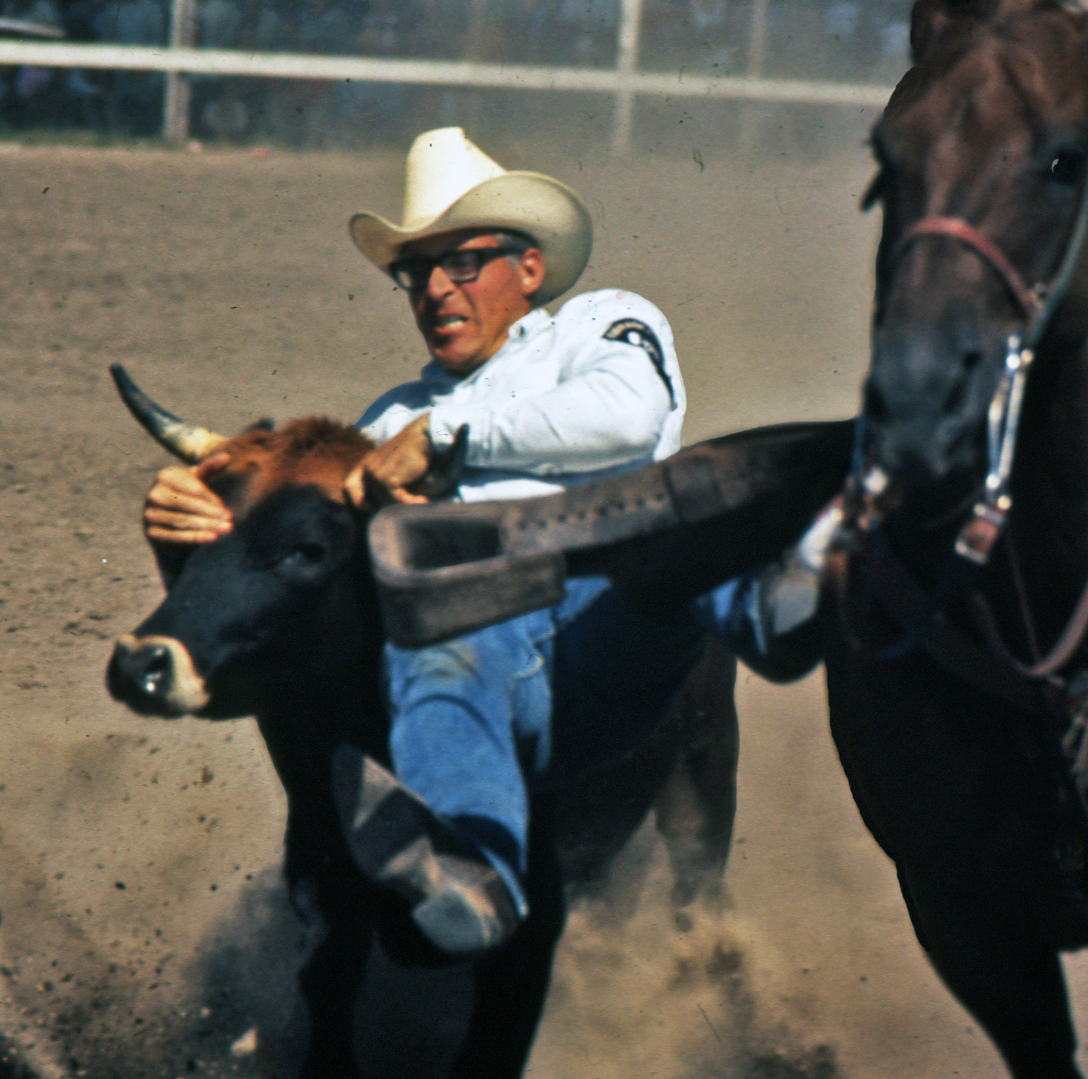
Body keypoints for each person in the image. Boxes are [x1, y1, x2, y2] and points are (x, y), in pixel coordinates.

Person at [143, 127, 826, 958]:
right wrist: (202, 525)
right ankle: (474, 878)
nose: (433, 289)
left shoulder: (602, 324)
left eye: (459, 262)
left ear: (528, 267)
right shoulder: (384, 421)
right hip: (495, 639)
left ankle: (774, 610)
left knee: (672, 508)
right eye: (414, 272)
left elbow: (627, 416)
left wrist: (448, 434)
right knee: (436, 649)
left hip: (612, 617)